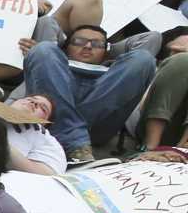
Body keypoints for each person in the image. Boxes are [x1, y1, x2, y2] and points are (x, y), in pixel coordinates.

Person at [22, 23, 159, 163]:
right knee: (43, 48)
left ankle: (71, 134)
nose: (87, 46)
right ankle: (75, 141)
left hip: (98, 126)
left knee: (144, 58)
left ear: (106, 51)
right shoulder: (48, 61)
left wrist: (112, 50)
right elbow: (47, 22)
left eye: (97, 44)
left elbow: (153, 37)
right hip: (48, 119)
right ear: (66, 46)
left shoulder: (117, 70)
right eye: (78, 41)